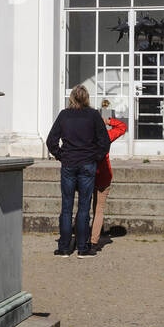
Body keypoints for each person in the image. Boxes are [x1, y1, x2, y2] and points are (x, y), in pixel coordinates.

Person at [46, 85, 111, 258]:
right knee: (84, 206)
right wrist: (95, 157)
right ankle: (82, 248)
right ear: (87, 98)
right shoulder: (94, 115)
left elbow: (51, 141)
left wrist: (61, 155)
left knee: (66, 206)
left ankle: (64, 247)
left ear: (72, 98)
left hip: (69, 163)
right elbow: (105, 142)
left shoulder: (64, 115)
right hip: (87, 164)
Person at [90, 108, 129, 249]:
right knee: (99, 209)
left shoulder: (85, 137)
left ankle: (82, 238)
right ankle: (94, 241)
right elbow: (122, 127)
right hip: (103, 176)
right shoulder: (106, 135)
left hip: (87, 175)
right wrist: (107, 121)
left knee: (83, 208)